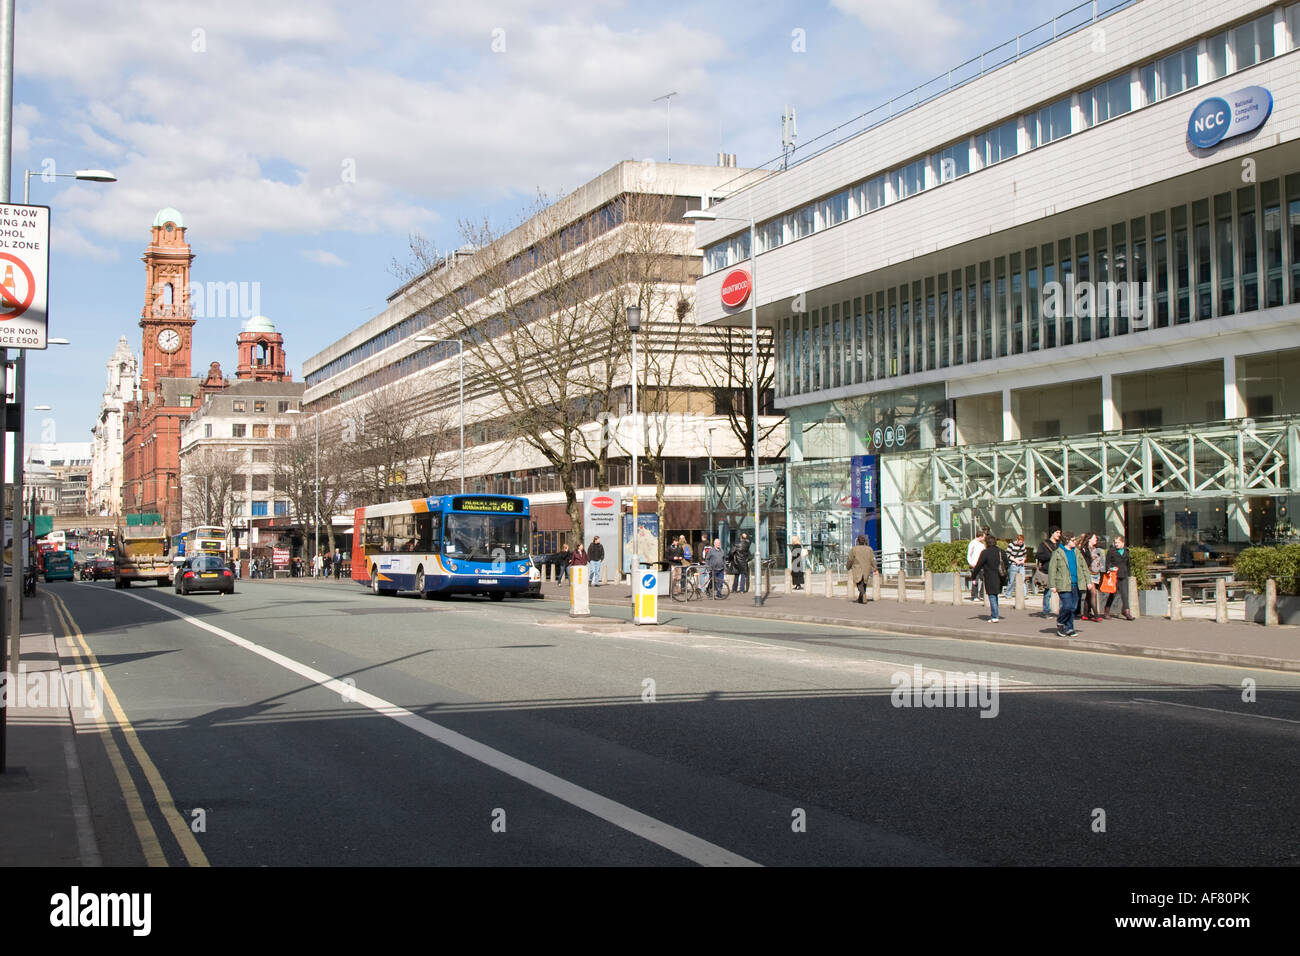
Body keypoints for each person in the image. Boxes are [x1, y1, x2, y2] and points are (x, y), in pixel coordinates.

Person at [1048, 532, 1086, 638]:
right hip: (1063, 584)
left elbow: (1084, 567)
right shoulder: (1057, 553)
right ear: (1067, 541)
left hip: (1075, 584)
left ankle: (1069, 628)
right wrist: (1052, 585)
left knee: (1073, 607)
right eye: (1073, 540)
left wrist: (1088, 582)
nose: (1075, 542)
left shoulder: (1076, 552)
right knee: (1067, 606)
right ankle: (1061, 622)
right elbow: (1052, 569)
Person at [971, 531, 1006, 622]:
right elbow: (1006, 563)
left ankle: (995, 616)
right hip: (1000, 576)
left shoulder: (985, 552)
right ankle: (995, 613)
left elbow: (978, 565)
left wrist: (973, 575)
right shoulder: (1001, 552)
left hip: (990, 576)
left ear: (987, 543)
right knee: (995, 595)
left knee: (992, 596)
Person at [1104, 534, 1135, 620]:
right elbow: (1107, 563)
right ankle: (1106, 610)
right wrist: (1110, 568)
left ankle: (1127, 612)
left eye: (1118, 542)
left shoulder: (1126, 551)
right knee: (1113, 594)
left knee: (1125, 594)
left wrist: (1129, 573)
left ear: (1122, 543)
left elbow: (1128, 563)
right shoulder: (1111, 551)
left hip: (1123, 575)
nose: (1116, 544)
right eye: (1115, 543)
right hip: (1115, 575)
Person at [1035, 527, 1061, 616]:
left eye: (1059, 533)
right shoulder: (1044, 544)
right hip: (1048, 570)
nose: (1059, 534)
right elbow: (1038, 556)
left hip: (1058, 570)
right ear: (1052, 533)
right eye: (1057, 532)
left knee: (1061, 591)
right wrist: (1051, 556)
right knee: (1048, 592)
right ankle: (1046, 611)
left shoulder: (1060, 544)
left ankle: (1062, 611)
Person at [846, 534, 877, 603]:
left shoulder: (854, 549)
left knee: (859, 583)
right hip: (866, 568)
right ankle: (861, 599)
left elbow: (850, 559)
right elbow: (872, 559)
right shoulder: (869, 549)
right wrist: (875, 567)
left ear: (858, 541)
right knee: (864, 583)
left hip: (857, 568)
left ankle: (863, 594)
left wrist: (848, 566)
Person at [1081, 532, 1105, 622]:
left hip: (1096, 574)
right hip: (1089, 574)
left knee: (1089, 594)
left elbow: (1101, 561)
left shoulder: (1097, 549)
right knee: (1093, 593)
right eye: (1094, 538)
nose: (1096, 539)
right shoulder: (1084, 550)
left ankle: (1085, 614)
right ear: (1089, 539)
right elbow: (1084, 562)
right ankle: (1096, 615)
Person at [966, 530, 988, 602]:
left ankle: (982, 594)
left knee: (984, 579)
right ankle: (974, 595)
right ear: (980, 536)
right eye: (984, 537)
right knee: (975, 580)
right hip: (974, 564)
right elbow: (969, 554)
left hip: (981, 565)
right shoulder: (972, 543)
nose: (984, 538)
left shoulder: (982, 545)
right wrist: (971, 563)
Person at [1003, 532, 1026, 600]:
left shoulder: (1023, 546)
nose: (1021, 543)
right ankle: (1008, 594)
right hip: (1013, 564)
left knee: (1022, 580)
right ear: (1017, 540)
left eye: (1022, 542)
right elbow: (1008, 555)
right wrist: (1015, 560)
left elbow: (1025, 555)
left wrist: (1023, 560)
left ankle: (1024, 594)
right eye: (1020, 542)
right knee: (1011, 580)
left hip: (1021, 564)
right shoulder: (1011, 545)